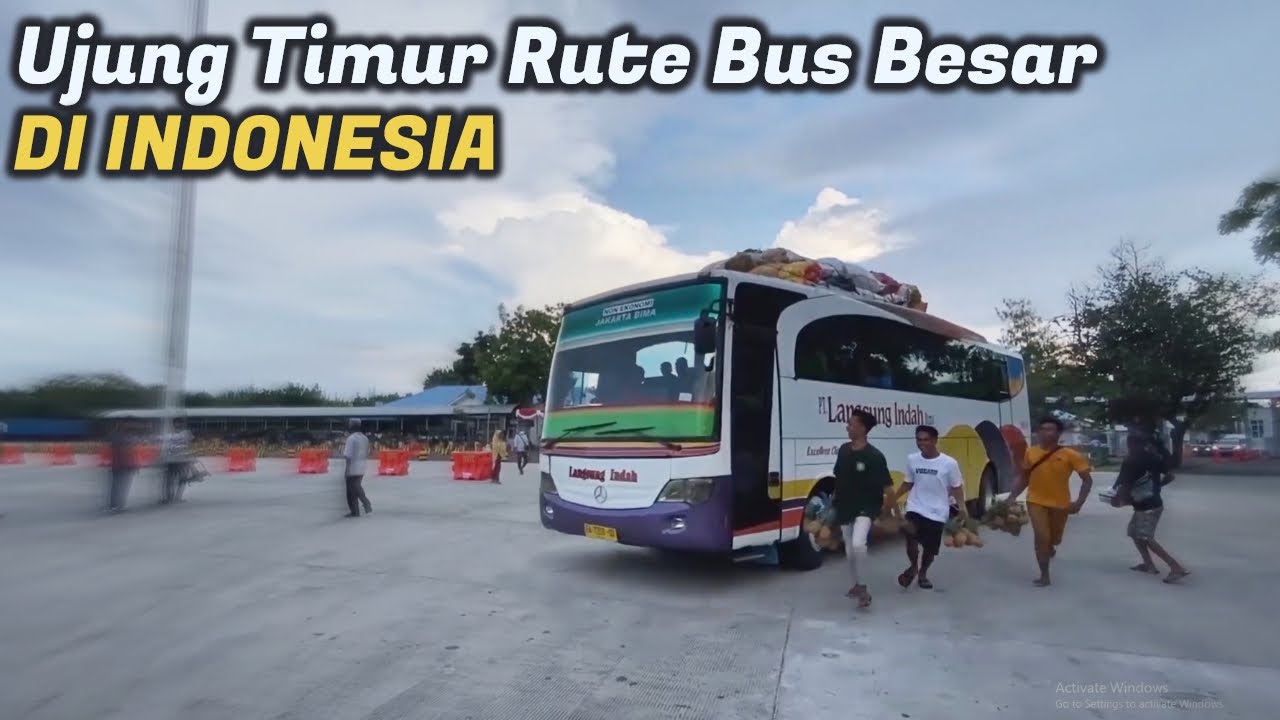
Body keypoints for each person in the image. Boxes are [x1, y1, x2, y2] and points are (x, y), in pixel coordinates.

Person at [1005, 417, 1094, 587]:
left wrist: (1079, 503)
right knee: (1041, 537)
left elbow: (1087, 480)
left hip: (1061, 504)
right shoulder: (1030, 453)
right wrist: (1012, 496)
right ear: (1038, 433)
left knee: (1054, 539)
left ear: (1058, 433)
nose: (1046, 433)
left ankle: (1050, 547)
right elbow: (1024, 477)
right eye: (1043, 429)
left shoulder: (1071, 455)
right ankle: (1044, 575)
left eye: (1051, 429)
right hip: (1035, 501)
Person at [831, 409, 893, 609]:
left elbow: (888, 487)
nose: (847, 427)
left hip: (867, 507)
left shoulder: (875, 456)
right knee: (850, 551)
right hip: (844, 506)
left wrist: (889, 513)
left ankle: (864, 587)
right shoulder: (843, 450)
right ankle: (857, 585)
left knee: (858, 544)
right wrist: (832, 503)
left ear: (862, 428)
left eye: (851, 424)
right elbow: (838, 478)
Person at [892, 425, 966, 590]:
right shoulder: (912, 459)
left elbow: (956, 487)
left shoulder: (949, 463)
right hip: (915, 506)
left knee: (930, 549)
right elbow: (908, 482)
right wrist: (893, 498)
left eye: (926, 440)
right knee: (910, 535)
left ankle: (923, 573)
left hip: (937, 511)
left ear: (934, 441)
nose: (921, 443)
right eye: (919, 440)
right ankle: (913, 566)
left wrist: (962, 508)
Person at [1111, 432, 1189, 584]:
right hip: (1153, 503)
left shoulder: (1130, 461)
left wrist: (1119, 500)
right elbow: (1170, 476)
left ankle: (1176, 567)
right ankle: (1148, 565)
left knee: (1145, 537)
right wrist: (1157, 487)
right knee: (1134, 532)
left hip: (1147, 507)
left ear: (1130, 444)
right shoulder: (1153, 457)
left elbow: (1124, 486)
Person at [342, 419, 372, 517]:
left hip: (353, 466)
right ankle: (363, 505)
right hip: (362, 466)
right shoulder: (365, 438)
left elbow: (348, 456)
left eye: (350, 424)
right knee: (356, 486)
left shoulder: (351, 438)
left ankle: (357, 509)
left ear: (352, 426)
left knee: (351, 491)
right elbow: (367, 452)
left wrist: (347, 469)